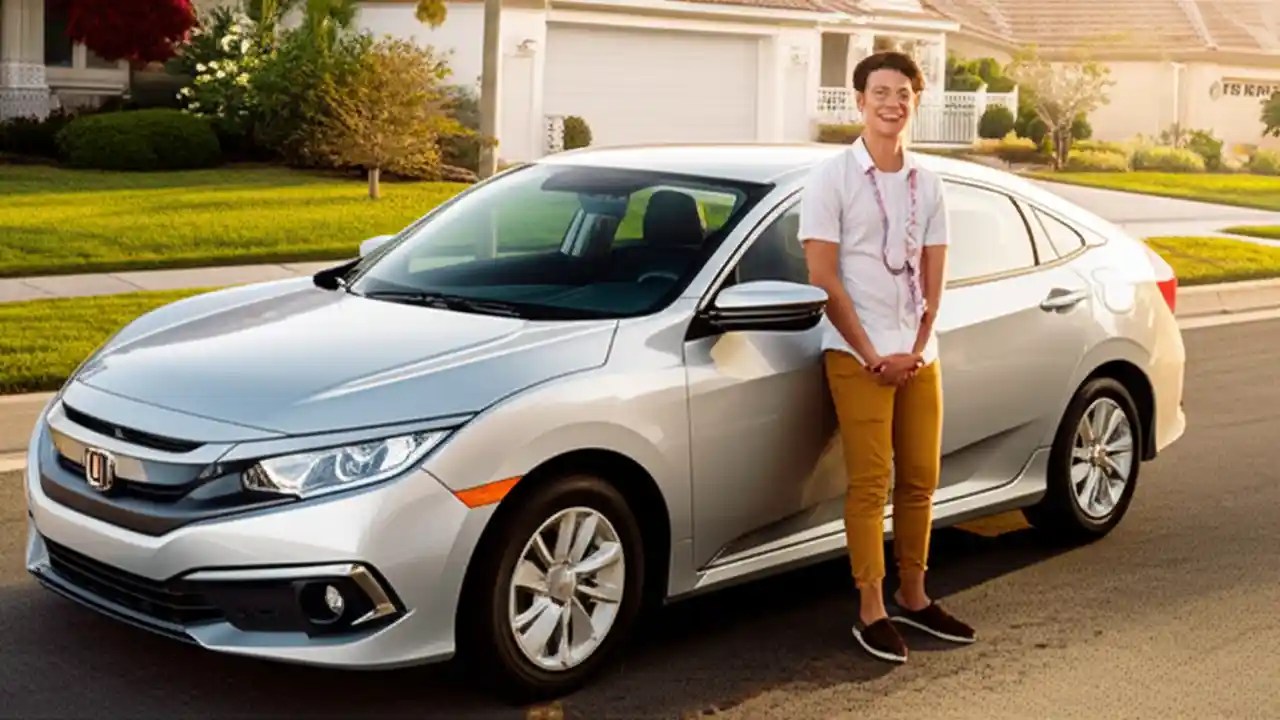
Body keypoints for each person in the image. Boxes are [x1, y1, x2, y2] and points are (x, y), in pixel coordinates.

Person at [798, 50, 976, 664]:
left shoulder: (929, 181)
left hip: (917, 354)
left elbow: (935, 273)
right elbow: (823, 278)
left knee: (921, 479)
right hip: (855, 351)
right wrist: (874, 354)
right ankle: (871, 609)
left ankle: (915, 594)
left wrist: (918, 346)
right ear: (860, 99)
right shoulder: (832, 178)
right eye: (880, 91)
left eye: (903, 92)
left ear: (915, 102)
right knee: (871, 482)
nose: (891, 103)